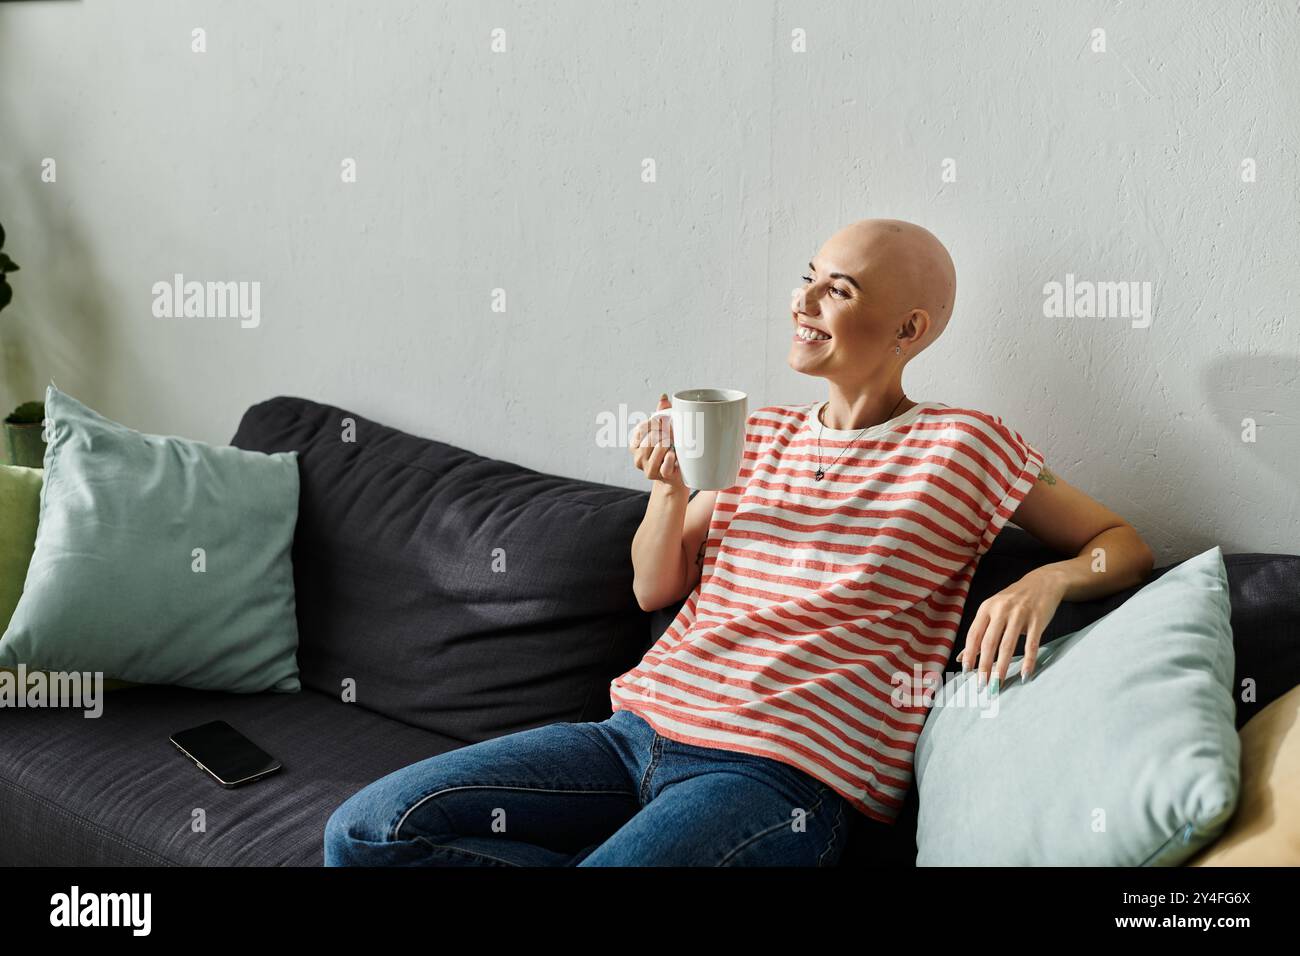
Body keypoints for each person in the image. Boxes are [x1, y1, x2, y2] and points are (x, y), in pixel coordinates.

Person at [323, 218, 1155, 866]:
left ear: (908, 328)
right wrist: (670, 485)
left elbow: (1122, 542)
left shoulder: (967, 446)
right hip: (635, 735)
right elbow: (656, 588)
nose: (803, 301)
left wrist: (1046, 582)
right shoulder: (752, 437)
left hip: (785, 776)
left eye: (837, 289)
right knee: (365, 832)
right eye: (807, 279)